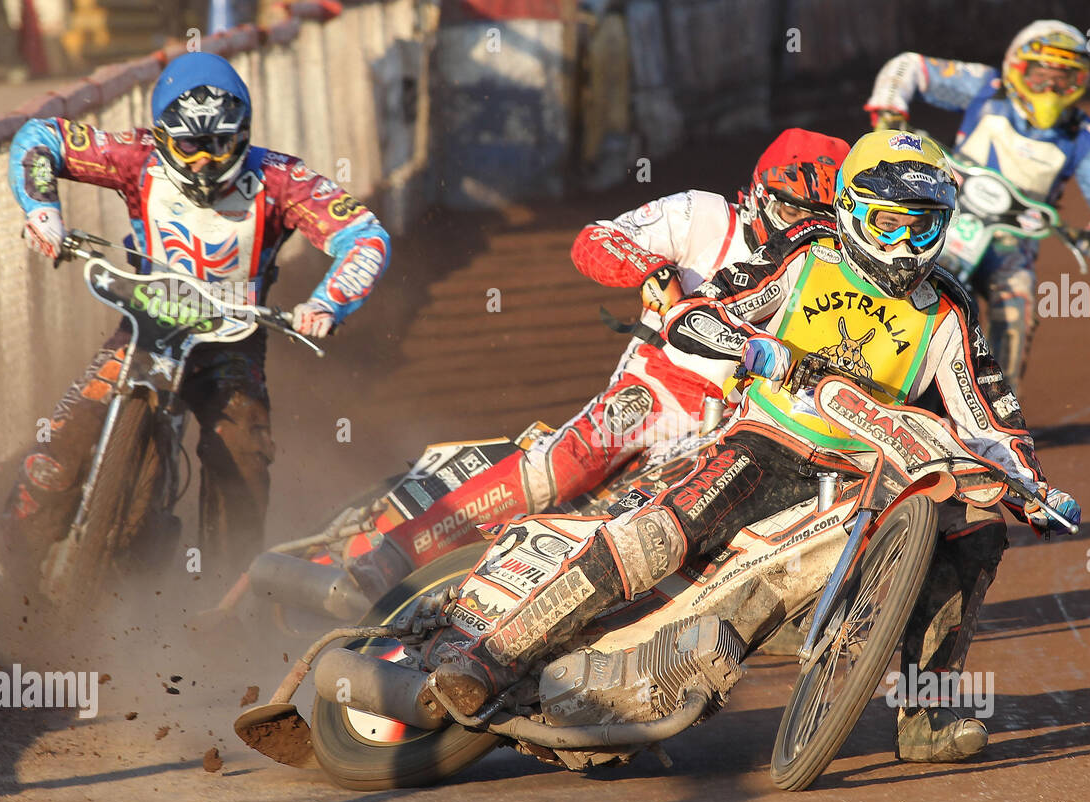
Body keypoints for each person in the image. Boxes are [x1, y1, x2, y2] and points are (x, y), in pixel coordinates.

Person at [425, 130, 1081, 763]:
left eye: (925, 226)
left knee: (977, 524)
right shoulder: (804, 257)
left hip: (864, 478)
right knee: (660, 535)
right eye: (889, 224)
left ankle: (926, 711)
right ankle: (490, 656)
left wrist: (1035, 489)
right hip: (764, 442)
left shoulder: (948, 310)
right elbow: (699, 312)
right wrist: (753, 344)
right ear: (851, 212)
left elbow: (994, 421)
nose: (907, 244)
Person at [347, 128, 850, 596]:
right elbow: (595, 239)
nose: (806, 230)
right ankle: (397, 554)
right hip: (664, 383)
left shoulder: (840, 263)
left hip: (758, 412)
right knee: (571, 463)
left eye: (823, 219)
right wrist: (650, 271)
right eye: (793, 213)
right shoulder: (704, 215)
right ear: (760, 194)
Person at [1, 52, 389, 583]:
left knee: (243, 455)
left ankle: (231, 593)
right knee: (62, 444)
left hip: (232, 338)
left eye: (219, 145)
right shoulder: (135, 157)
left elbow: (364, 235)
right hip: (144, 321)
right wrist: (43, 211)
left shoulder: (280, 178)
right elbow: (38, 137)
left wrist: (326, 301)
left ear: (243, 135)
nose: (205, 161)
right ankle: (11, 563)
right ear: (163, 138)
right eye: (189, 145)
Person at [864, 19, 1090, 387]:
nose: (1051, 89)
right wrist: (890, 112)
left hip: (1013, 245)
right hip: (948, 222)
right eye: (1041, 76)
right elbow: (909, 66)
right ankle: (868, 371)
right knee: (905, 278)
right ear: (1016, 68)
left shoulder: (1084, 135)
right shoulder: (987, 88)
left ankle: (998, 410)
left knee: (1017, 312)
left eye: (1064, 79)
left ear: (1081, 83)